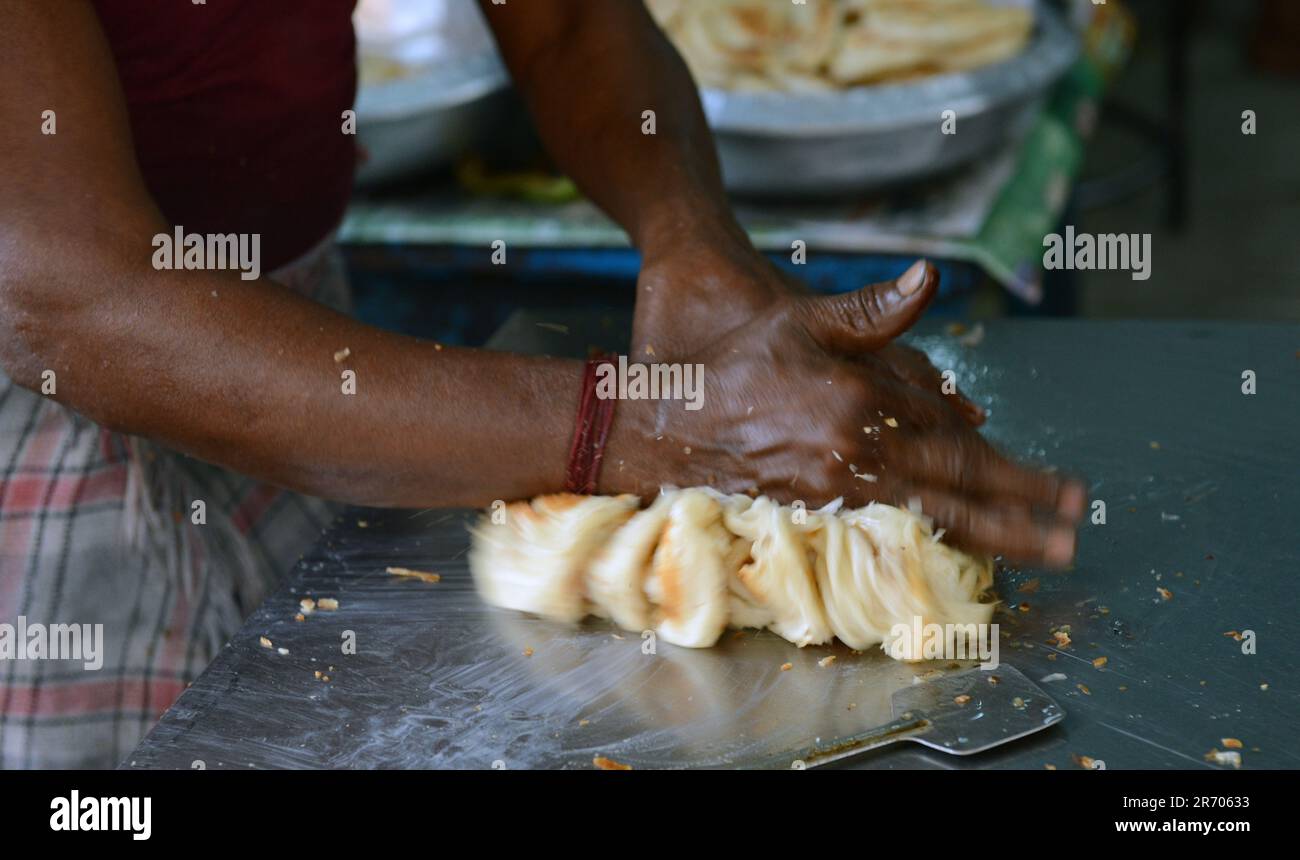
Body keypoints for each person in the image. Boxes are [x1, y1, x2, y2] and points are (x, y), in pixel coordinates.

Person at [0, 0, 1084, 768]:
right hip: (45, 412)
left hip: (292, 332)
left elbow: (565, 20)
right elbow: (66, 293)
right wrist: (656, 425)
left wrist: (689, 240)